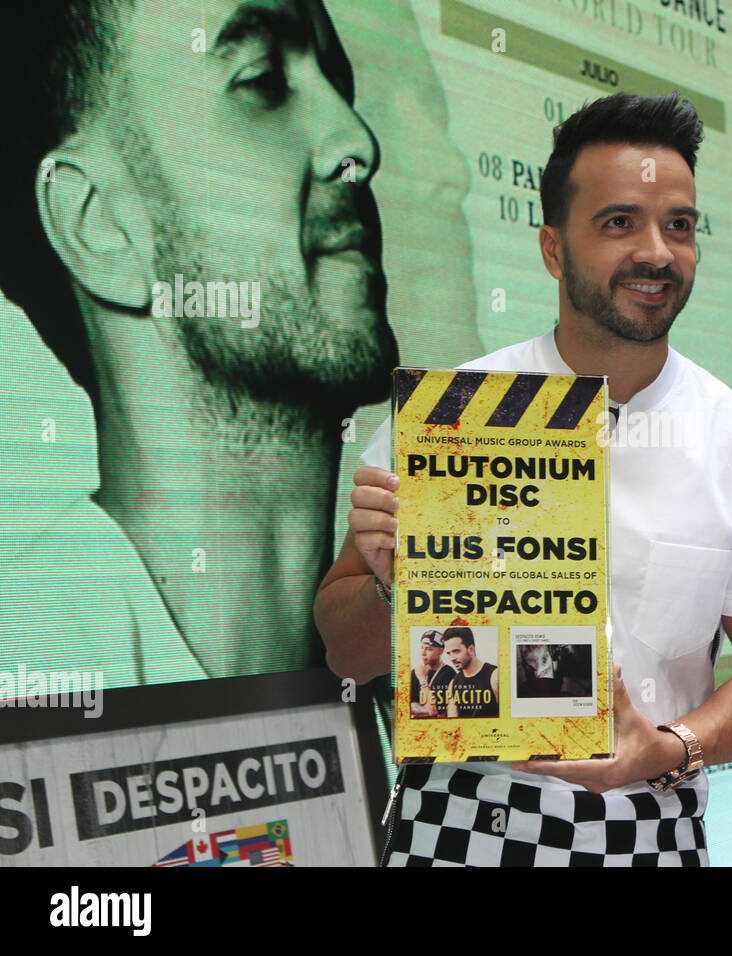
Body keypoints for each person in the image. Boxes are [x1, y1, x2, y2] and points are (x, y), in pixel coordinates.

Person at [315, 91, 732, 867]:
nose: (657, 251)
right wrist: (391, 588)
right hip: (456, 820)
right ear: (554, 250)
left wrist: (667, 746)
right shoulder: (450, 416)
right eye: (620, 222)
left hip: (651, 822)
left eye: (678, 225)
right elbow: (345, 653)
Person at [0, 0, 478, 686]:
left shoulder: (445, 662)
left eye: (339, 82)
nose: (357, 142)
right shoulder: (25, 653)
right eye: (262, 82)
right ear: (99, 224)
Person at [441, 628, 500, 719]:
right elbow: (453, 722)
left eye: (456, 651)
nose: (452, 658)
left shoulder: (494, 676)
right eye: (449, 653)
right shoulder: (453, 684)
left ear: (471, 649)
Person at [411, 630, 455, 719]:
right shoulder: (415, 672)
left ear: (441, 651)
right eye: (422, 647)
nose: (423, 653)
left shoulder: (449, 673)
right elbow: (408, 707)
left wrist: (422, 679)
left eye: (428, 649)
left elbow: (433, 711)